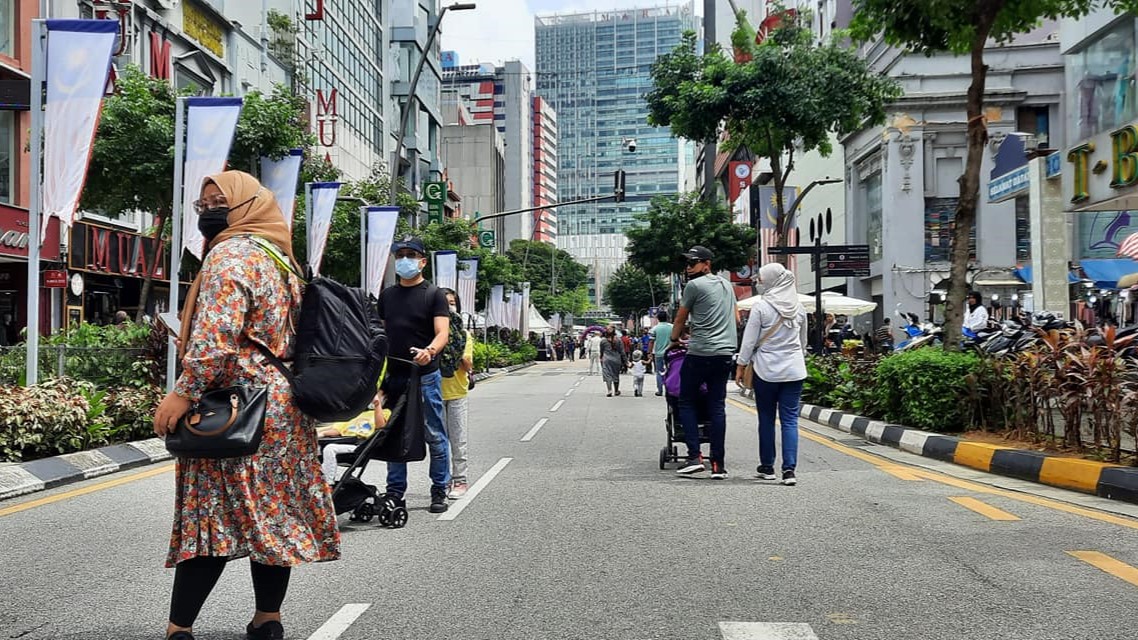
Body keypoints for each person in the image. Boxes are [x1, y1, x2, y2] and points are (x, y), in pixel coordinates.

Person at [151, 170, 339, 640]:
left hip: (234, 405)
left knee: (210, 513)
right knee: (271, 515)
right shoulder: (283, 260)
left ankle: (179, 629)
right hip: (283, 407)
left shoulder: (230, 256)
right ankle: (267, 620)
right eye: (203, 204)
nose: (210, 211)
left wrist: (182, 392)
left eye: (220, 202)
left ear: (248, 205)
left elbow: (216, 341)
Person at [375, 235, 452, 514]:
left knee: (434, 433)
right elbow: (381, 334)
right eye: (400, 255)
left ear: (422, 261)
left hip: (425, 374)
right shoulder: (388, 296)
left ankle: (439, 489)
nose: (404, 260)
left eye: (410, 255)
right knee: (394, 432)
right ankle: (395, 491)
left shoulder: (434, 295)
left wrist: (429, 351)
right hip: (394, 375)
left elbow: (443, 332)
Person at [736, 263, 808, 487]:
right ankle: (789, 470)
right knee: (789, 420)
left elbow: (748, 341)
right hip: (794, 370)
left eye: (762, 280)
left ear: (772, 281)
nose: (759, 283)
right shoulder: (800, 308)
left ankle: (767, 467)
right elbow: (803, 344)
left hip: (766, 370)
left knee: (766, 419)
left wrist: (740, 364)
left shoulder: (761, 307)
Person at [669, 245, 738, 479]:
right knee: (717, 406)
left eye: (693, 262)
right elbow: (735, 317)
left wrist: (674, 339)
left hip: (700, 352)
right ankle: (718, 464)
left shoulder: (694, 286)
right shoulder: (727, 285)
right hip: (725, 353)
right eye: (687, 263)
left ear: (706, 264)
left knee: (685, 402)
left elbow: (680, 318)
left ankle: (694, 456)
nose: (688, 267)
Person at [439, 288, 474, 499]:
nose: (449, 307)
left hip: (457, 392)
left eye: (452, 303)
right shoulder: (432, 333)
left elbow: (468, 364)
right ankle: (442, 481)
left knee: (458, 440)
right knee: (438, 441)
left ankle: (460, 480)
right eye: (445, 304)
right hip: (434, 392)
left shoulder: (464, 334)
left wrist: (454, 345)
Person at [317, 394, 388, 482]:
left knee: (330, 448)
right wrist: (321, 433)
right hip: (346, 441)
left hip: (361, 445)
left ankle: (328, 481)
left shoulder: (385, 412)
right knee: (316, 447)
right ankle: (315, 480)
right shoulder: (358, 414)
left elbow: (381, 427)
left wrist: (377, 405)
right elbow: (338, 430)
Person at [648, 310, 673, 396]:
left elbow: (651, 342)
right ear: (667, 318)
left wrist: (649, 352)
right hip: (671, 353)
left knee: (659, 372)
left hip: (658, 354)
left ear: (658, 318)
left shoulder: (654, 329)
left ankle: (660, 390)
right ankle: (670, 390)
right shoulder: (672, 327)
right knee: (671, 371)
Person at [600, 327, 625, 396]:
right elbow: (622, 352)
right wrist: (626, 361)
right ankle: (616, 391)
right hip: (616, 360)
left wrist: (601, 358)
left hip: (606, 359)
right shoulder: (619, 340)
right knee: (616, 375)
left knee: (607, 375)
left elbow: (601, 351)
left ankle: (609, 390)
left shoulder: (603, 341)